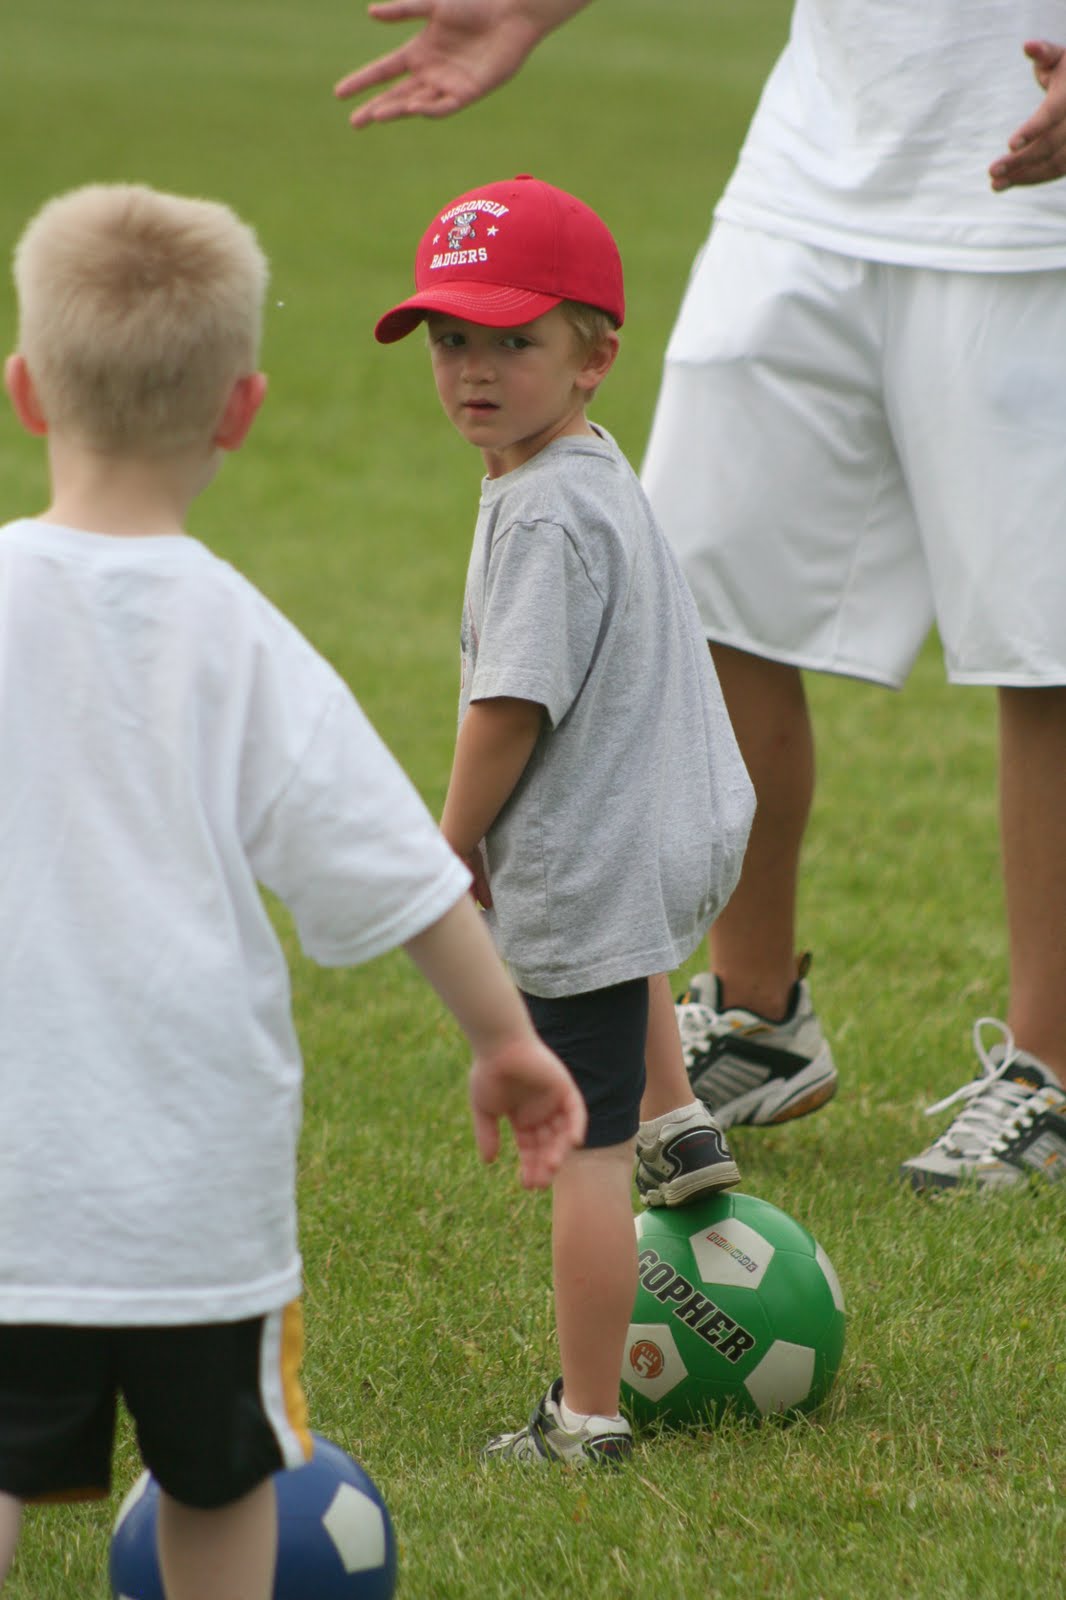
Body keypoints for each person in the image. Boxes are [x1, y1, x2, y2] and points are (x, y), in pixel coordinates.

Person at [339, 1, 1066, 1194]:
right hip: (812, 152)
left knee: (1039, 638)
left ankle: (1047, 1067)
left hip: (1026, 185)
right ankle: (756, 1013)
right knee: (703, 574)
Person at [0, 182, 588, 1598]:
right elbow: (400, 875)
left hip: (14, 1183)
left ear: (26, 391)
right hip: (199, 1208)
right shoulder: (239, 640)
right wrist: (505, 1042)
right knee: (217, 1487)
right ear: (242, 410)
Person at [374, 174, 755, 1463]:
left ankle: (587, 1417)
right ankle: (682, 1120)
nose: (473, 370)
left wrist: (452, 837)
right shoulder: (578, 465)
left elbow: (508, 708)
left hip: (602, 848)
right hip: (664, 821)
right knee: (622, 967)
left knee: (579, 1147)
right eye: (450, 339)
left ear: (594, 357)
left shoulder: (540, 510)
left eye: (512, 341)